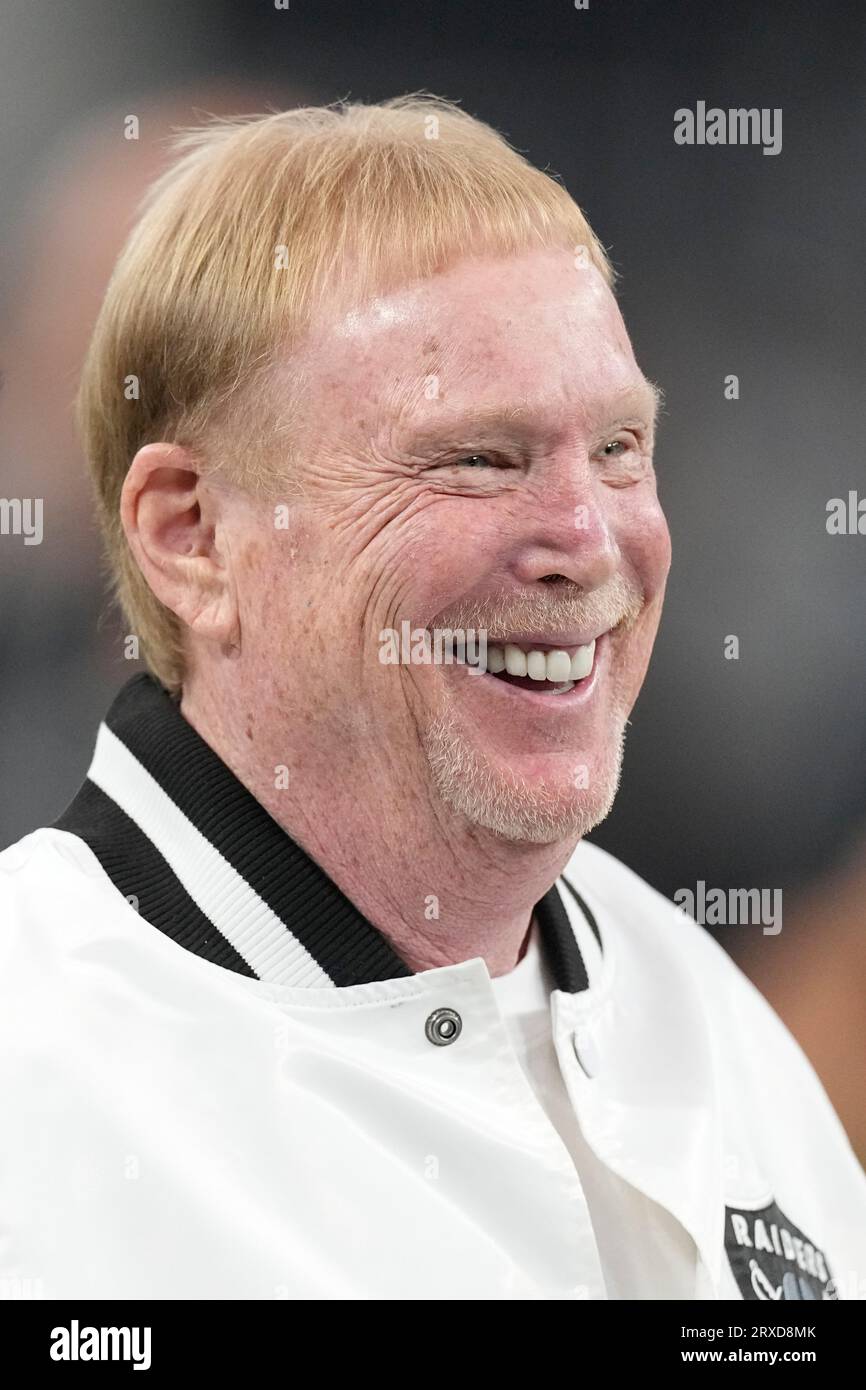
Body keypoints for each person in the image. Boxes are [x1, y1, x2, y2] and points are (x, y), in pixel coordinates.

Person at [1, 95, 863, 1301]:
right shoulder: (31, 1075)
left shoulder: (699, 1009)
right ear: (191, 535)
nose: (588, 541)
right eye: (477, 458)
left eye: (618, 448)